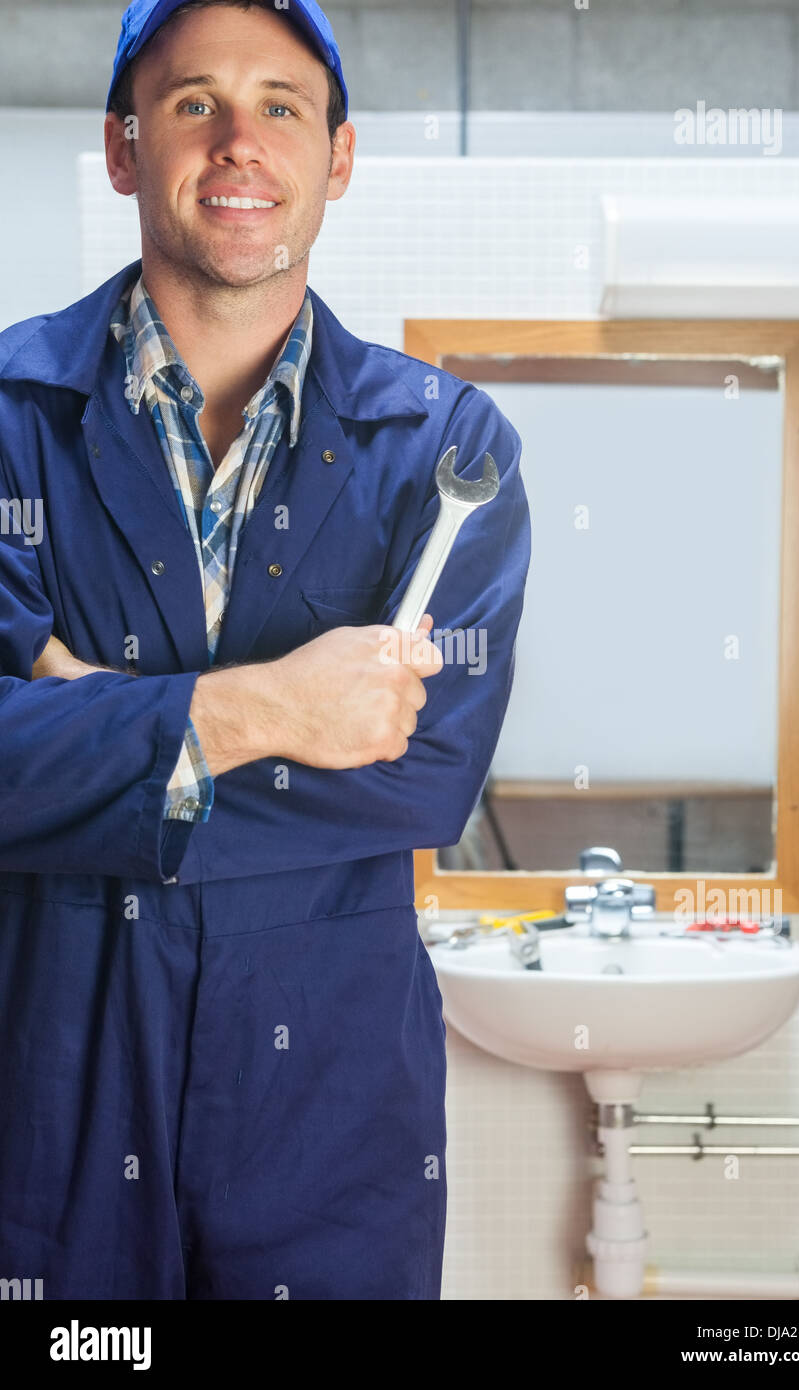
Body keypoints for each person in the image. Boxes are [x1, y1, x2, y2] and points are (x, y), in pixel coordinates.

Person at [0, 0, 530, 1299]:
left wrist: (89, 733)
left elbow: (420, 776)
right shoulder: (10, 418)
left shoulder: (442, 451)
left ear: (337, 156)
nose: (240, 141)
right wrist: (260, 710)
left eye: (280, 106)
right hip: (51, 1082)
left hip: (326, 1106)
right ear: (124, 148)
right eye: (193, 102)